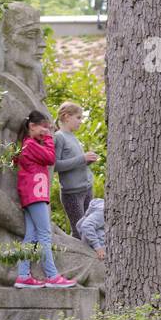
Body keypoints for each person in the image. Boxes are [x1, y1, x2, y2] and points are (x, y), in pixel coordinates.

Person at [13, 111, 74, 289]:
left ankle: (23, 276)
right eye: (44, 128)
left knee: (31, 235)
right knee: (45, 235)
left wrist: (45, 136)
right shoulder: (30, 144)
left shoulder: (29, 144)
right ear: (32, 126)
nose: (46, 132)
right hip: (34, 195)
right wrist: (49, 138)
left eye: (48, 129)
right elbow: (50, 158)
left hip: (33, 195)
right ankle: (52, 276)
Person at [52, 101, 99, 237]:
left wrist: (87, 161)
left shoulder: (73, 136)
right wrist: (82, 158)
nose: (81, 121)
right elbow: (55, 165)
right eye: (78, 118)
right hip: (72, 193)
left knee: (90, 228)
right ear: (66, 116)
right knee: (79, 231)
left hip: (87, 189)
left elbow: (76, 162)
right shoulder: (59, 137)